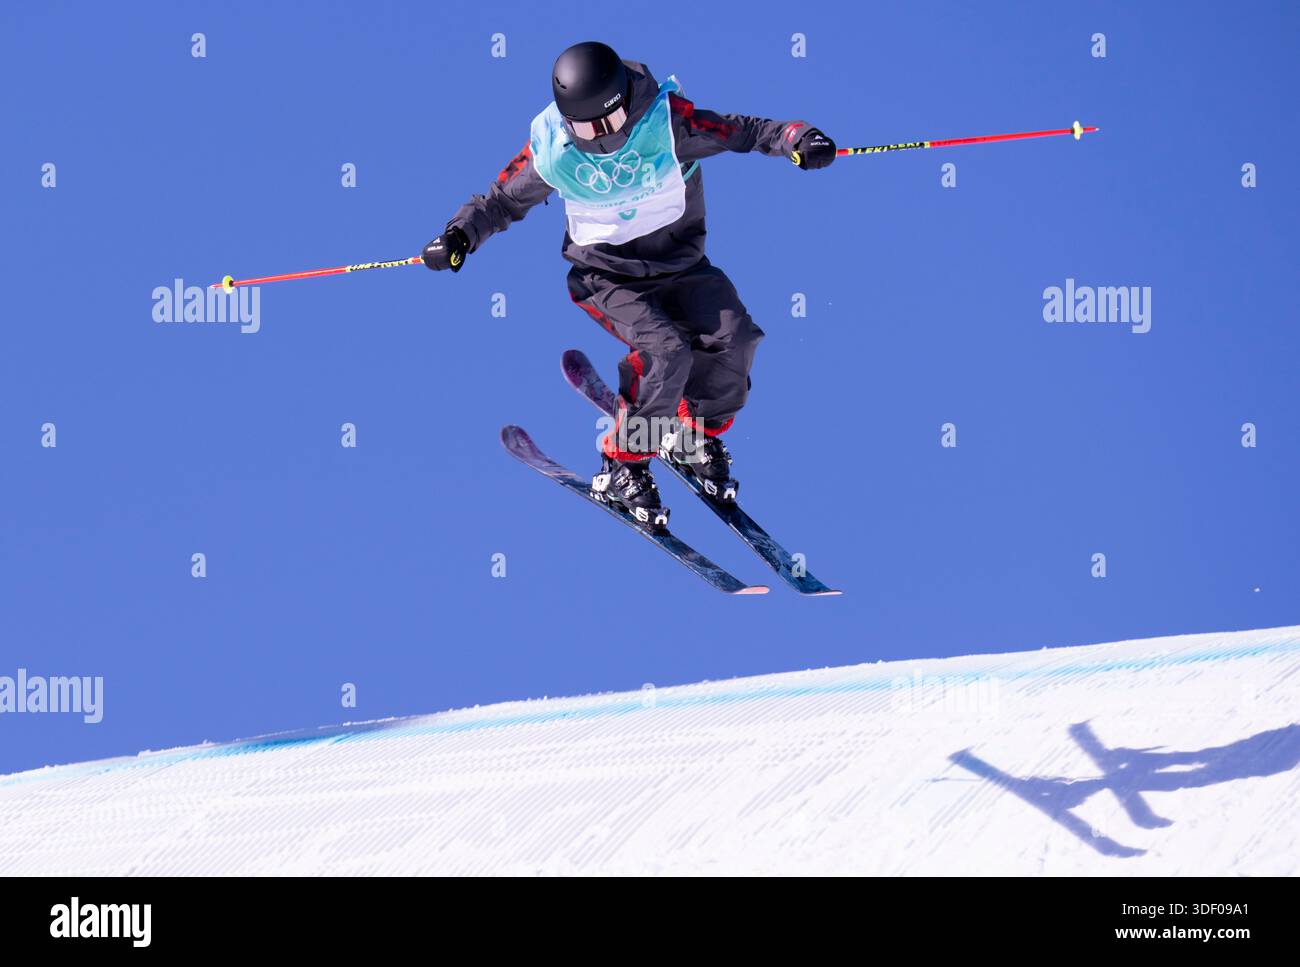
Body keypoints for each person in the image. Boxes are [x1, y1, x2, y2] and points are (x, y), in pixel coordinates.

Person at [423, 41, 835, 526]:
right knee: (667, 352)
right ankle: (622, 463)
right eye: (585, 128)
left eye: (609, 124)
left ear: (626, 104)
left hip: (681, 268)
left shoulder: (667, 124)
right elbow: (500, 200)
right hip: (608, 280)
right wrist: (458, 235)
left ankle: (692, 432)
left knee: (736, 339)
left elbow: (744, 131)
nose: (600, 138)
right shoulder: (555, 153)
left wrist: (798, 139)